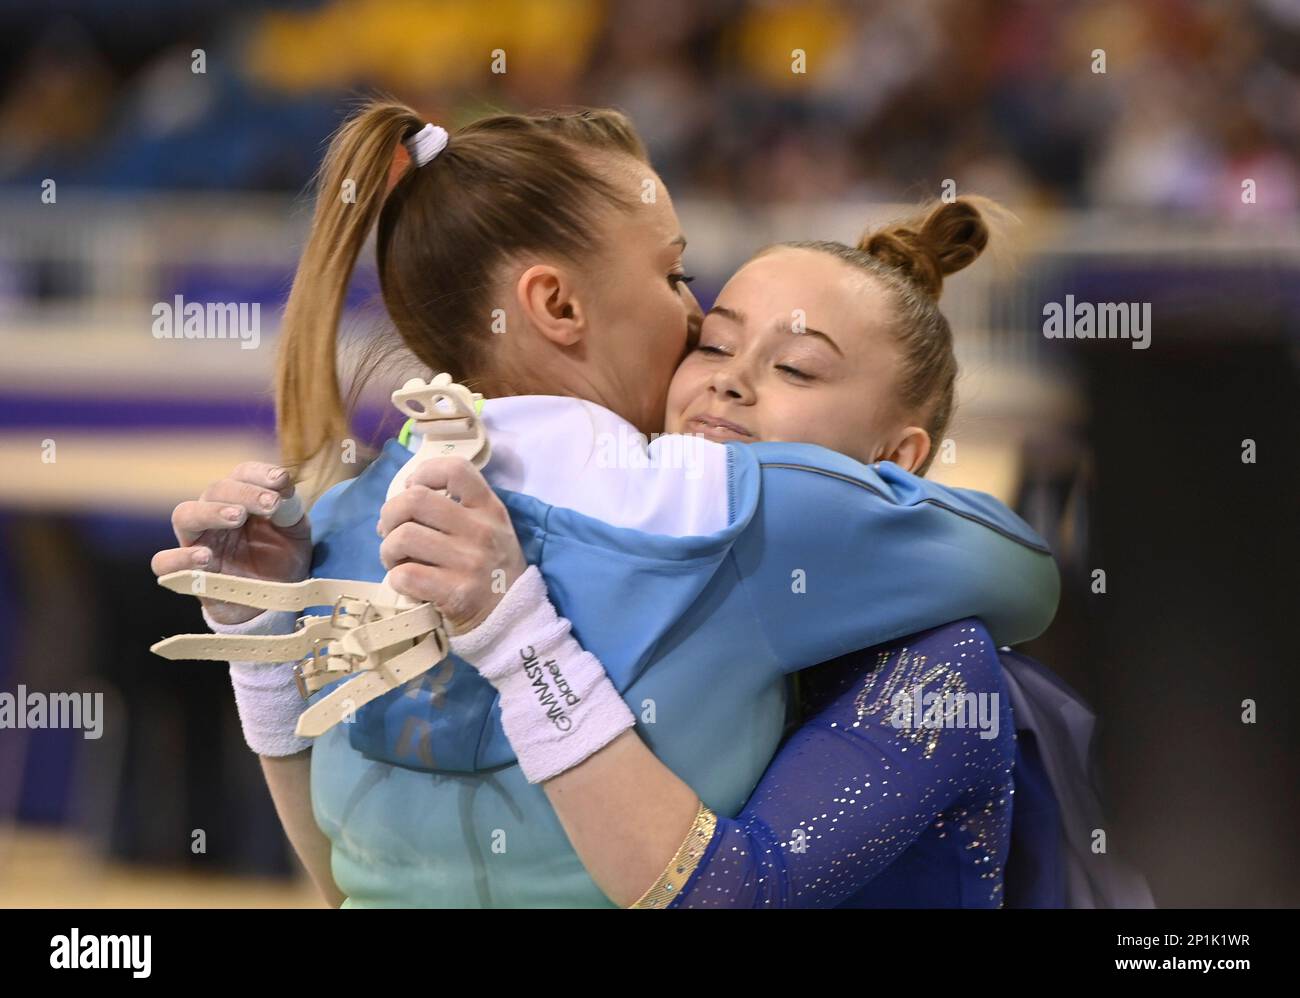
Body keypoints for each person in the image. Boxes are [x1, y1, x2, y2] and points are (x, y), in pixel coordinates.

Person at [151, 102, 1058, 907]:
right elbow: (357, 879)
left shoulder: (929, 659)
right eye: (700, 321)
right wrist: (262, 654)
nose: (719, 375)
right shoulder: (701, 512)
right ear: (554, 304)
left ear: (898, 462)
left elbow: (728, 891)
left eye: (793, 368)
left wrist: (519, 635)